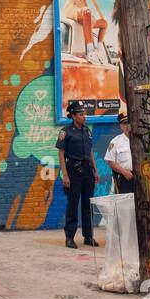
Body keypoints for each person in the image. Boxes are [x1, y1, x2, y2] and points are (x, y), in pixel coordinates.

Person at [56, 100, 98, 248]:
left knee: (88, 204)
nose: (84, 116)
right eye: (81, 114)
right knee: (73, 204)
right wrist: (65, 175)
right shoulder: (65, 131)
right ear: (73, 116)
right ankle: (69, 237)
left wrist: (95, 170)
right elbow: (61, 154)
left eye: (84, 113)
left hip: (87, 170)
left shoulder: (87, 130)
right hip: (73, 170)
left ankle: (88, 236)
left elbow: (90, 151)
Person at [103, 116, 135, 195]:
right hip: (125, 178)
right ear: (121, 126)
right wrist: (124, 172)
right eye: (124, 124)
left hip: (141, 175)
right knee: (126, 203)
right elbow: (109, 160)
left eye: (129, 123)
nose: (127, 126)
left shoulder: (140, 138)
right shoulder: (115, 141)